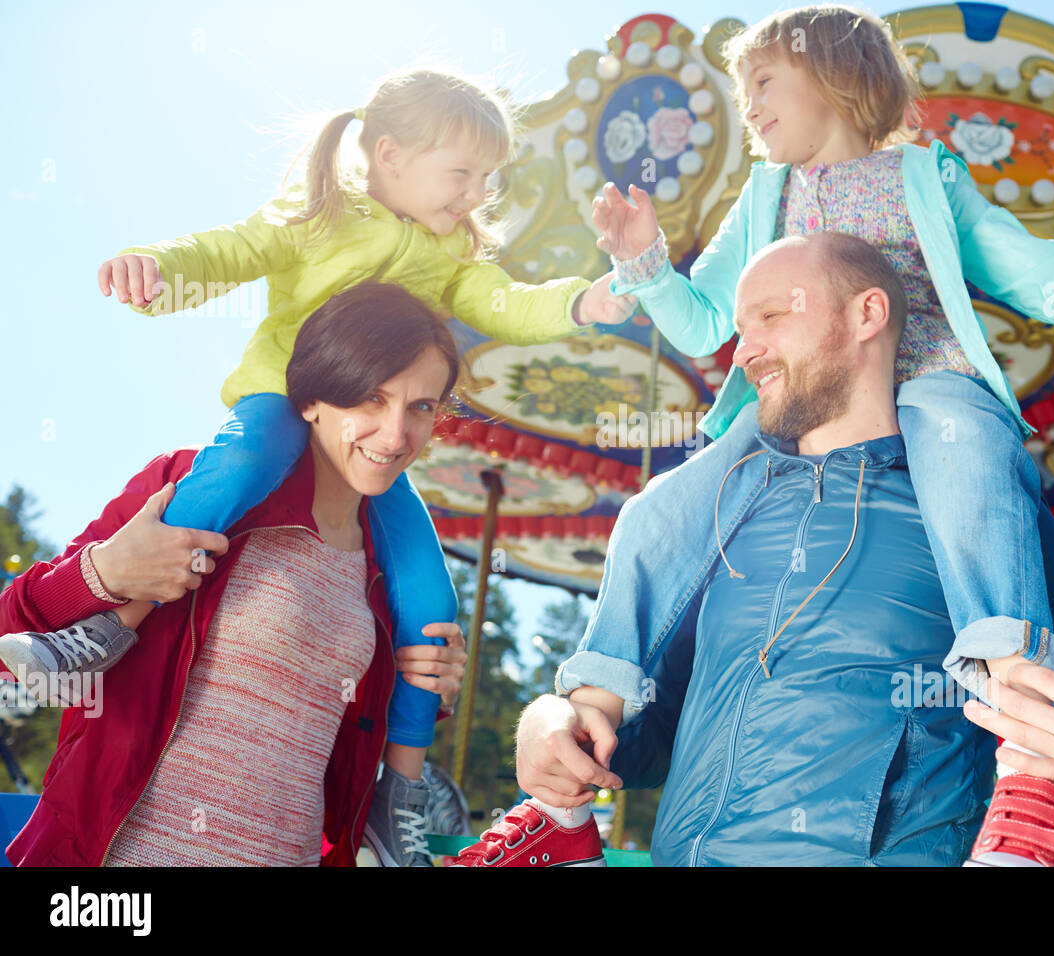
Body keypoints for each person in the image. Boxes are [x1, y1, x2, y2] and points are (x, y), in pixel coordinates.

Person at [559, 4, 1054, 865]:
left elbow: (1045, 276)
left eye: (761, 82)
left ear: (835, 75)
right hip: (769, 448)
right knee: (659, 506)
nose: (746, 106)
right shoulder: (762, 196)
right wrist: (645, 262)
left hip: (932, 375)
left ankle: (1011, 687)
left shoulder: (924, 175)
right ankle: (592, 685)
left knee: (966, 451)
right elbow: (699, 324)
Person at [0, 67, 634, 864]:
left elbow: (507, 303)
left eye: (420, 407)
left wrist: (583, 301)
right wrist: (156, 270)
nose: (476, 194)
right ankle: (108, 629)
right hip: (117, 869)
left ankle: (400, 794)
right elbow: (229, 251)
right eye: (462, 173)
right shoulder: (319, 221)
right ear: (393, 155)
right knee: (240, 468)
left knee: (433, 598)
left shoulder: (448, 258)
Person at [450, 233, 1054, 867]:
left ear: (868, 314)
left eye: (773, 316)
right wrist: (548, 725)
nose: (746, 351)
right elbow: (645, 745)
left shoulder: (981, 511)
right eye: (742, 328)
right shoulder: (715, 520)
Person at [0, 283, 470, 866]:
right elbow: (9, 631)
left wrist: (425, 685)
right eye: (370, 400)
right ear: (313, 397)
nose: (396, 435)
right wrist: (102, 574)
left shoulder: (392, 571)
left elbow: (335, 733)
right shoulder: (189, 484)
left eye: (420, 407)